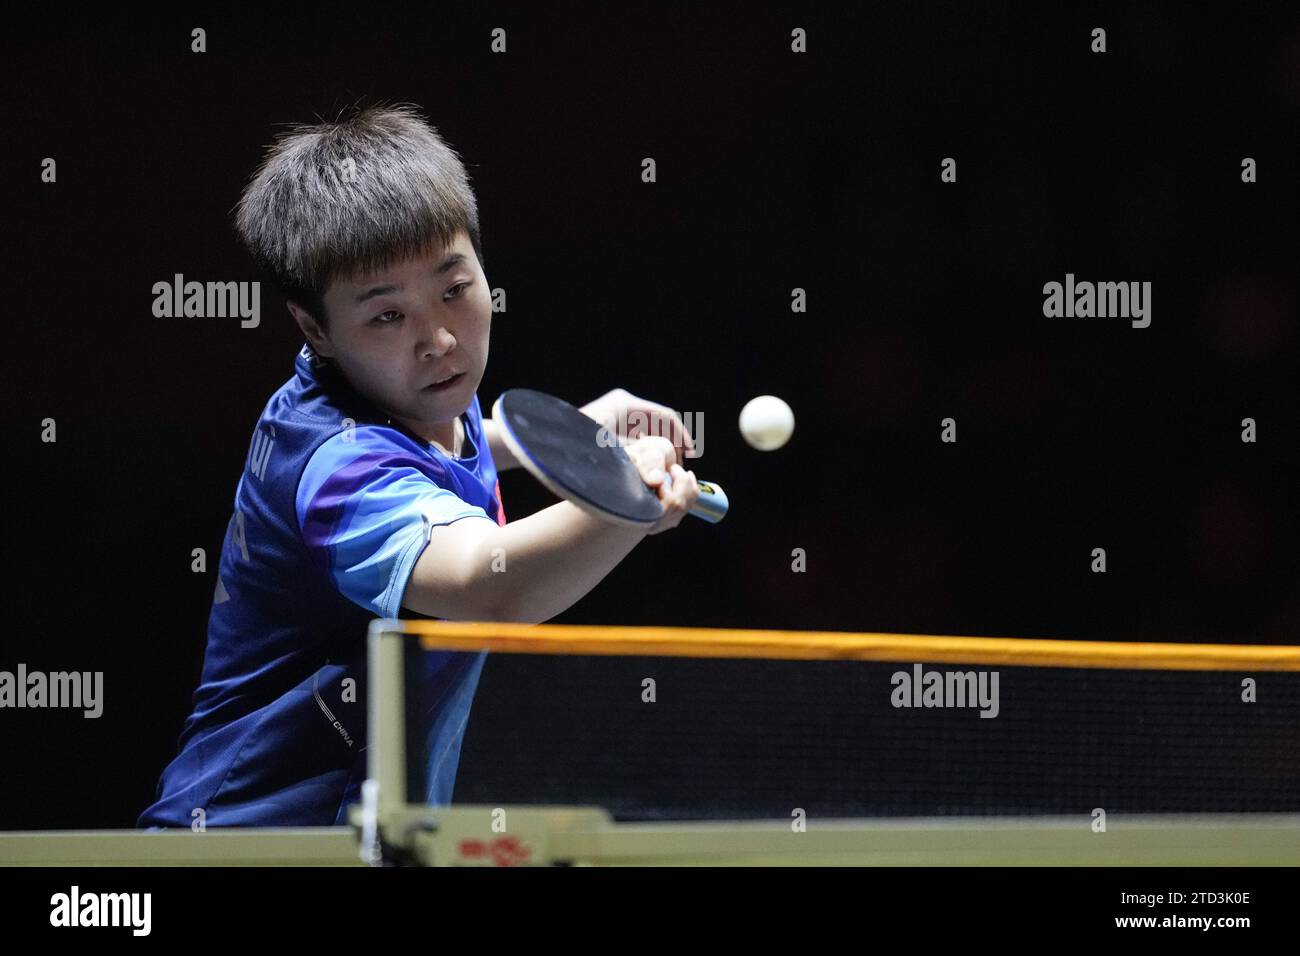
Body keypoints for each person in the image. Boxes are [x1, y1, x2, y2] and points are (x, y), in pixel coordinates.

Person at [138, 103, 700, 828]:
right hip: (249, 846)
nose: (438, 337)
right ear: (316, 328)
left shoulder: (411, 393)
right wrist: (624, 500)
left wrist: (571, 431)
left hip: (362, 842)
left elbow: (446, 449)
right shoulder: (339, 470)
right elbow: (486, 584)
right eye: (386, 315)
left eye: (454, 289)